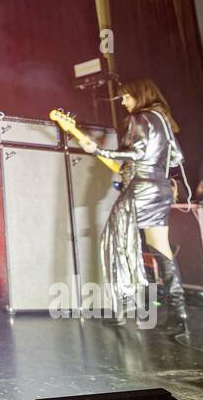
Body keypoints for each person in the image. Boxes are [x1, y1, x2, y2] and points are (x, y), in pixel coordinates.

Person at [79, 78, 188, 334]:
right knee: (161, 249)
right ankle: (178, 311)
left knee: (116, 243)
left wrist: (98, 151)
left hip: (139, 187)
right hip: (160, 187)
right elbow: (177, 157)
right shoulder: (163, 120)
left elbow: (136, 154)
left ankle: (121, 309)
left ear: (139, 95)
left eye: (126, 97)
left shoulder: (138, 118)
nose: (124, 103)